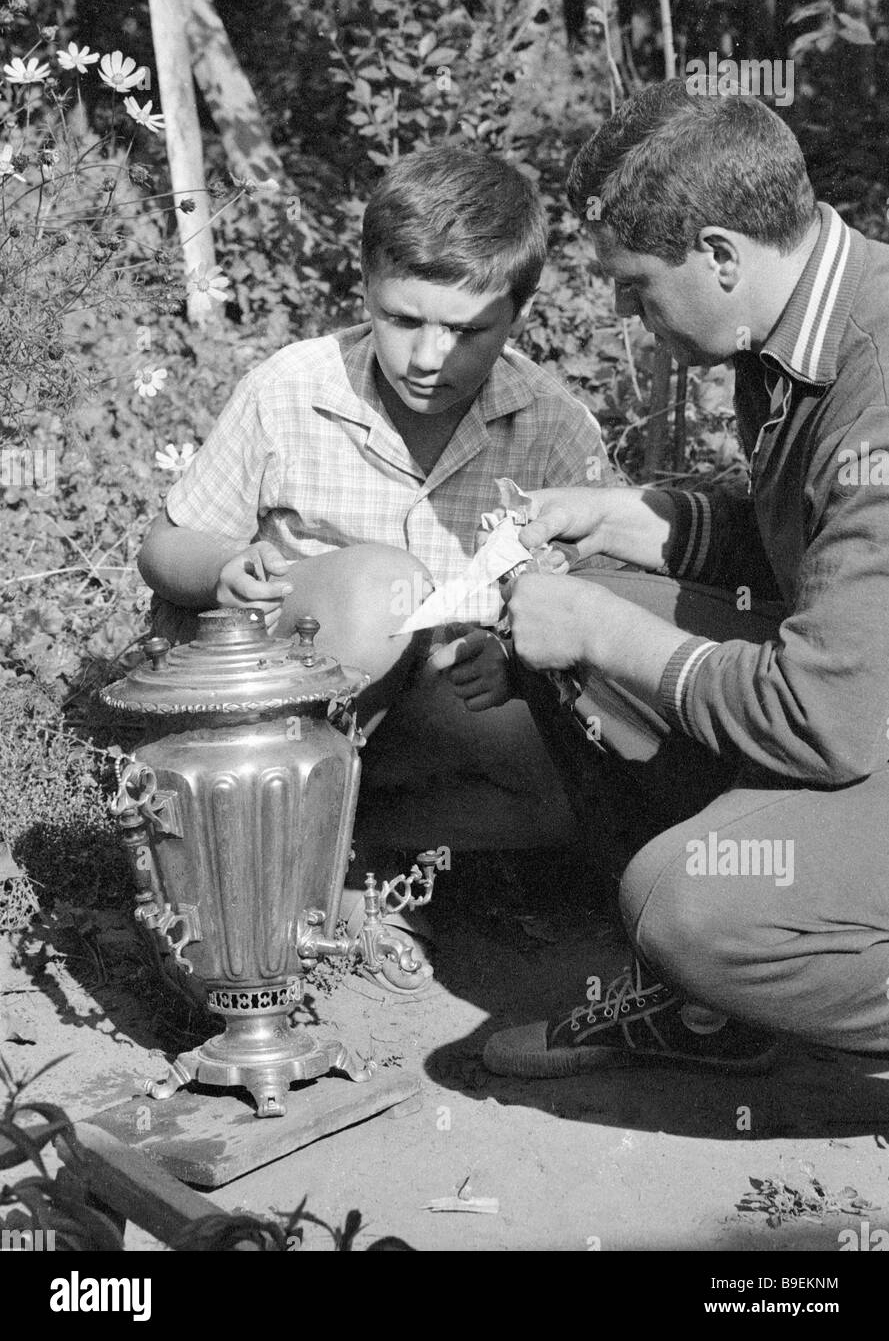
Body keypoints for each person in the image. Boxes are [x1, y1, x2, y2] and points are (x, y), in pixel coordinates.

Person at [478, 80, 889, 1077]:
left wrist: (605, 635)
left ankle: (721, 963)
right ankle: (714, 1012)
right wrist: (628, 518)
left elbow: (826, 717)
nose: (623, 310)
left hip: (855, 707)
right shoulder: (794, 323)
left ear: (717, 254)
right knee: (578, 592)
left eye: (631, 282)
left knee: (691, 902)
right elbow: (815, 547)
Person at [137, 145, 618, 856]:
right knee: (381, 590)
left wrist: (514, 660)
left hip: (429, 715)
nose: (429, 358)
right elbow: (163, 546)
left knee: (570, 785)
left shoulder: (555, 429)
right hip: (271, 704)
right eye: (404, 321)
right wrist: (222, 569)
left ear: (517, 311)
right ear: (364, 285)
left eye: (465, 331)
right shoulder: (293, 390)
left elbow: (595, 601)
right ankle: (244, 822)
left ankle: (338, 858)